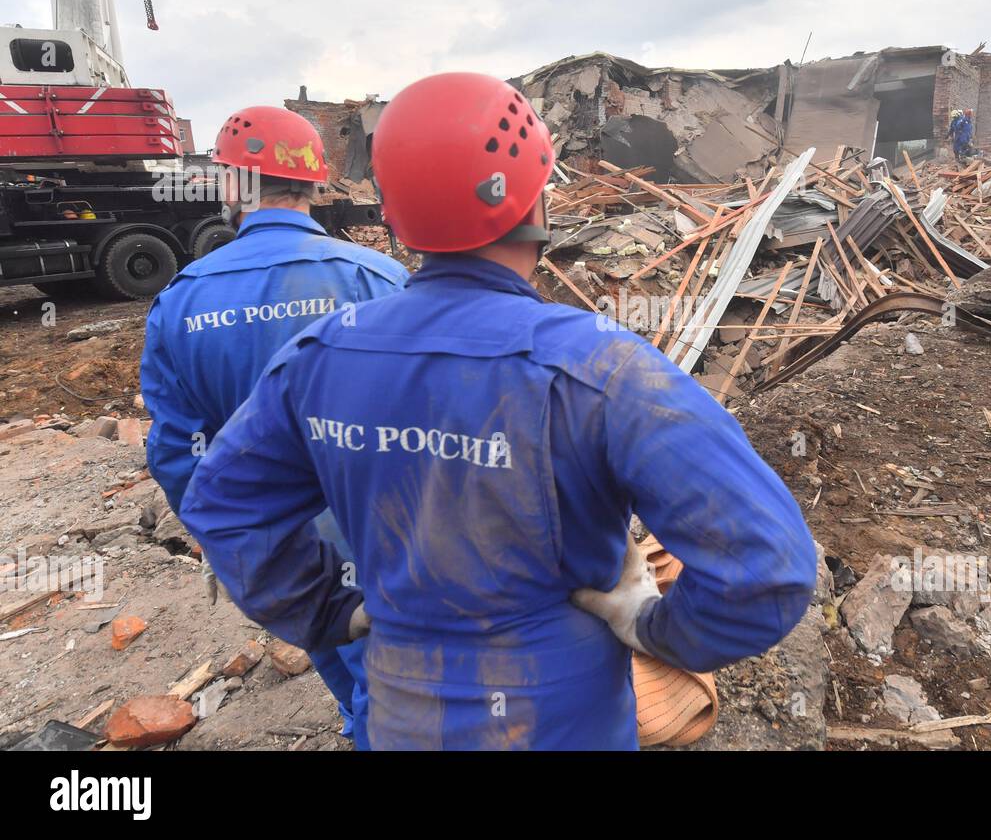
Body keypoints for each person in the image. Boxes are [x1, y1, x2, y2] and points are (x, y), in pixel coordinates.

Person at [178, 72, 817, 750]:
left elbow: (222, 505)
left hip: (401, 715)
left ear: (392, 214)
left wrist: (332, 611)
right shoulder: (602, 369)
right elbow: (767, 568)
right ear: (536, 200)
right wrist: (654, 627)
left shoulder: (318, 357)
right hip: (562, 721)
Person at [140, 105, 409, 749]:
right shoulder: (380, 278)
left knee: (332, 643)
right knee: (397, 681)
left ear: (232, 185)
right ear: (314, 185)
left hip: (282, 543)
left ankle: (363, 723)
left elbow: (179, 456)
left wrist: (221, 532)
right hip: (385, 533)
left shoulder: (181, 301)